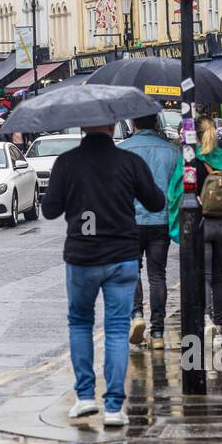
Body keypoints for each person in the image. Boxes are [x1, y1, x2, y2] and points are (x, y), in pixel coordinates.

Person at [42, 123, 165, 427]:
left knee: (81, 323)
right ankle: (113, 407)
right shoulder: (129, 162)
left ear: (83, 127)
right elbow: (156, 202)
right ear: (112, 126)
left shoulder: (66, 162)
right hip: (122, 257)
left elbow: (49, 210)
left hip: (82, 257)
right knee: (117, 328)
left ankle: (85, 398)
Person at [166, 115, 222, 341]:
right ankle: (220, 325)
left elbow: (175, 194)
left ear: (193, 136)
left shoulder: (189, 160)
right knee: (219, 277)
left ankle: (206, 319)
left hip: (201, 224)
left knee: (205, 276)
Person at [117, 113, 179, 352]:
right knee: (157, 275)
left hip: (130, 220)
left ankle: (136, 316)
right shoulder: (172, 151)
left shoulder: (122, 151)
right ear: (156, 123)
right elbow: (178, 188)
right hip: (160, 220)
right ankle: (158, 331)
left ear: (133, 123)